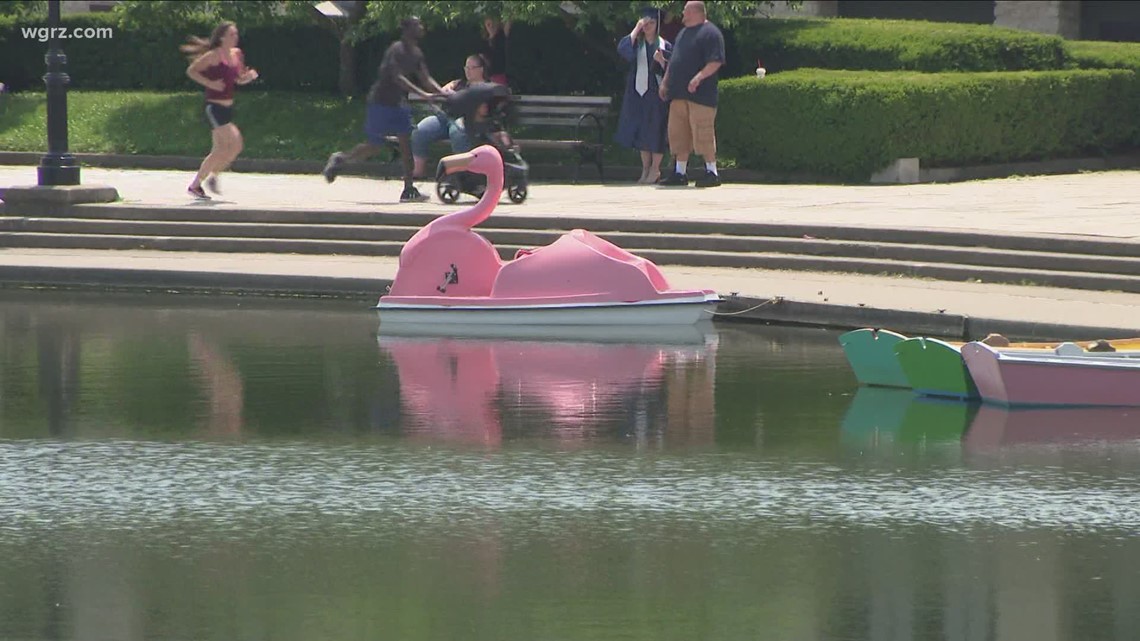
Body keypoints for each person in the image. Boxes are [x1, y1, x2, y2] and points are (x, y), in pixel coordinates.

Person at [322, 16, 444, 203]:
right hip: (381, 102)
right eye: (417, 24)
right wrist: (424, 95)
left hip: (399, 105)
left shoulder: (417, 53)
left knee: (406, 145)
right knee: (374, 146)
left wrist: (444, 93)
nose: (421, 26)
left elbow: (426, 78)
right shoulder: (395, 50)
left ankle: (409, 189)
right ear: (407, 29)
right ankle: (341, 159)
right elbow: (398, 78)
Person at [182, 21, 259, 200]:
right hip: (214, 107)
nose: (236, 37)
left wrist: (249, 77)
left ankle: (202, 182)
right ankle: (205, 181)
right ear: (222, 37)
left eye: (236, 34)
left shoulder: (237, 54)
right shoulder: (213, 56)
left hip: (228, 107)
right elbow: (192, 71)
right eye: (232, 34)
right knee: (235, 143)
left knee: (220, 149)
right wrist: (210, 83)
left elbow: (238, 80)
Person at [658, 1, 725, 188]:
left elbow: (716, 60)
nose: (682, 13)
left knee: (703, 131)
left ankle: (712, 171)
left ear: (695, 12)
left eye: (685, 10)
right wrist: (665, 82)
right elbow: (674, 59)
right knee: (678, 134)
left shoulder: (711, 33)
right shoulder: (683, 33)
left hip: (700, 95)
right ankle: (680, 172)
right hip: (678, 93)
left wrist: (699, 77)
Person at [615, 7, 672, 184]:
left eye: (651, 22)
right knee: (641, 130)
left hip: (656, 93)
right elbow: (622, 50)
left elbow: (673, 70)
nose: (647, 26)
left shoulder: (664, 46)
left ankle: (655, 169)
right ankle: (645, 169)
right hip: (637, 93)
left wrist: (661, 61)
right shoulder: (636, 44)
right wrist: (636, 29)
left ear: (658, 25)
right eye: (644, 23)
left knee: (656, 129)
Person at [410, 53, 489, 182]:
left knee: (457, 133)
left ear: (481, 69)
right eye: (466, 67)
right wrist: (447, 90)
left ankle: (462, 174)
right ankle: (418, 172)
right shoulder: (459, 83)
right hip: (444, 117)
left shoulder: (485, 87)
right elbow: (442, 91)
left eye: (471, 68)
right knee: (420, 131)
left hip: (465, 119)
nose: (467, 71)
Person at [482, 18, 510, 86]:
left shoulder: (501, 37)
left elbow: (508, 22)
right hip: (486, 77)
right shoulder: (485, 40)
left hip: (498, 75)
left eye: (493, 24)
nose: (491, 27)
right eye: (488, 24)